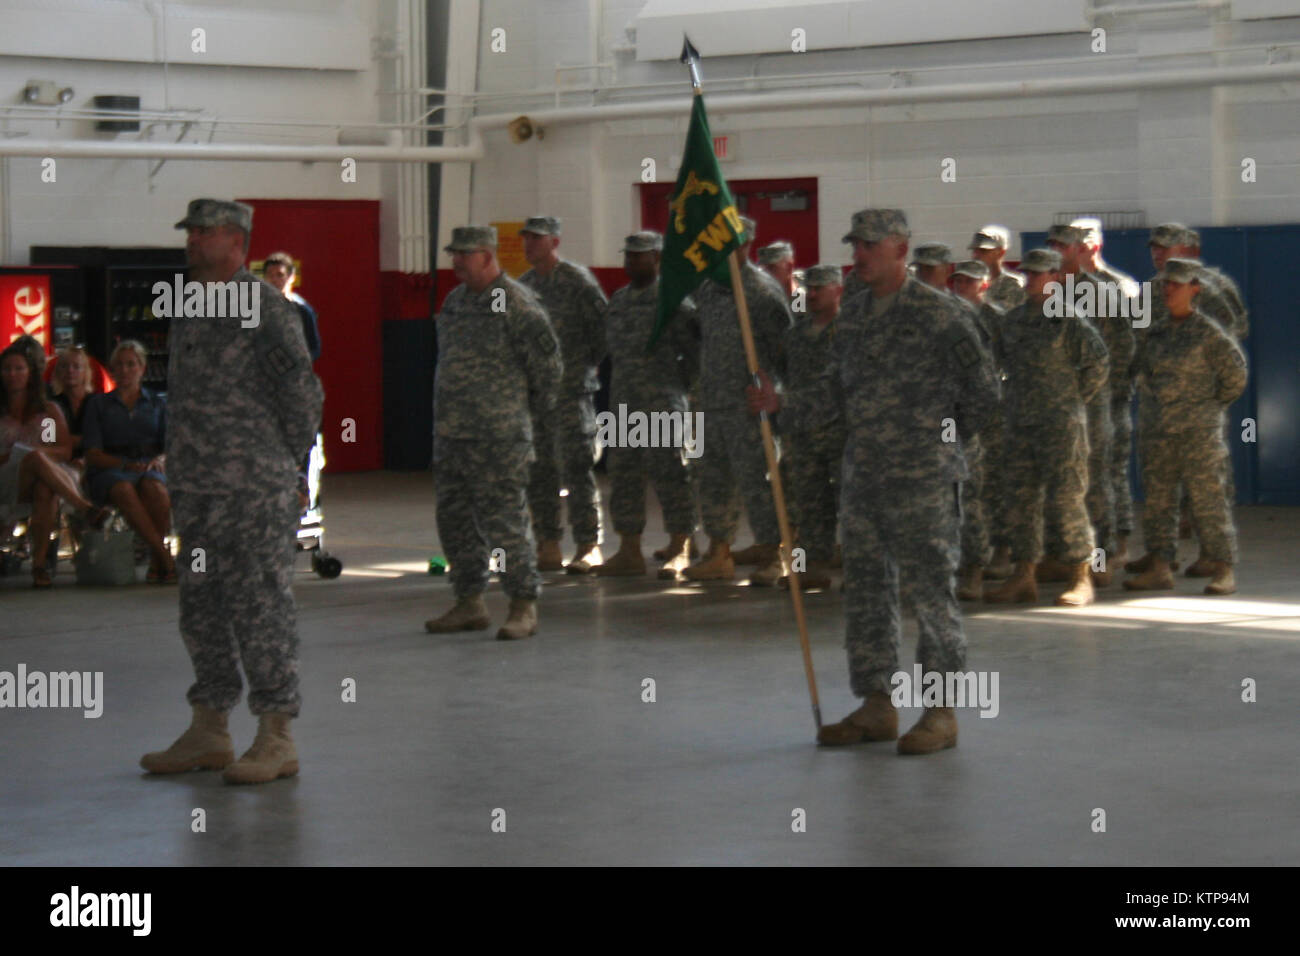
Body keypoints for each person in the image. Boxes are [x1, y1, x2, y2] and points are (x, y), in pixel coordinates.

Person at [140, 198, 323, 786]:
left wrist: (284, 467)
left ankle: (276, 735)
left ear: (235, 238)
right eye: (190, 230)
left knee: (261, 605)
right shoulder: (190, 303)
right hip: (195, 487)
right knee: (201, 607)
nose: (191, 240)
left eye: (202, 231)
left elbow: (302, 397)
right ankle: (209, 727)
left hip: (252, 488)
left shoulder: (265, 307)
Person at [815, 208, 998, 754]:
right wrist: (779, 404)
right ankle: (877, 704)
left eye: (869, 245)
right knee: (867, 593)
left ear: (900, 247)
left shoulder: (941, 314)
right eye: (855, 246)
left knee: (931, 596)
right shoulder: (854, 312)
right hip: (864, 476)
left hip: (923, 479)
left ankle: (940, 713)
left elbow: (985, 395)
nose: (859, 255)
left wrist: (940, 443)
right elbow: (835, 389)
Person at [425, 225, 562, 639]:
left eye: (464, 254)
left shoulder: (514, 302)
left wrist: (521, 420)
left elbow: (549, 369)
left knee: (505, 523)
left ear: (487, 256)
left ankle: (523, 604)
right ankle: (470, 602)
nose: (456, 262)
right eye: (454, 254)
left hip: (499, 437)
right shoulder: (455, 301)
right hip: (453, 434)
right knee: (455, 520)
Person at [984, 249, 1107, 607]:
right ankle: (1024, 575)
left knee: (1067, 499)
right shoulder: (1013, 321)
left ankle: (1080, 576)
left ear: (1055, 277)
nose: (1033, 279)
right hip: (1021, 423)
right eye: (1029, 273)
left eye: (1040, 274)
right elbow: (999, 363)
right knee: (1021, 501)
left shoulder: (1069, 321)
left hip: (1061, 426)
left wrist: (1071, 401)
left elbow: (1098, 363)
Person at [1124, 259, 1246, 596]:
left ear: (1195, 288)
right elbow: (1140, 371)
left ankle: (1222, 568)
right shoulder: (1156, 332)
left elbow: (1235, 377)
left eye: (1176, 284)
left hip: (1198, 434)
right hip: (1159, 432)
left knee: (1209, 502)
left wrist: (1207, 407)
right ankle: (1161, 566)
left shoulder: (1209, 333)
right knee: (1159, 502)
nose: (1168, 290)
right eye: (1165, 284)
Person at [682, 215, 792, 587]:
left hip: (747, 407)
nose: (728, 250)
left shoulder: (761, 291)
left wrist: (773, 391)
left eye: (735, 243)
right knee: (711, 480)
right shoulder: (709, 288)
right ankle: (719, 552)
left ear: (747, 245)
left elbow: (783, 351)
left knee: (758, 481)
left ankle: (773, 553)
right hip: (711, 400)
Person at [595, 231, 700, 579]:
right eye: (628, 256)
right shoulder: (620, 300)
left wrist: (679, 391)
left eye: (639, 256)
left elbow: (695, 354)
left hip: (662, 404)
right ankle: (628, 549)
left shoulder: (674, 301)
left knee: (671, 476)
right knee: (623, 477)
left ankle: (681, 546)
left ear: (657, 258)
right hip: (623, 403)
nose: (632, 262)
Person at [518, 215, 608, 574]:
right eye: (526, 239)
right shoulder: (522, 287)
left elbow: (603, 331)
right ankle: (548, 543)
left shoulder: (577, 281)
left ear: (554, 242)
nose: (529, 245)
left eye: (537, 239)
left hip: (572, 394)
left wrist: (584, 367)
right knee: (539, 473)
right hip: (537, 397)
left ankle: (588, 545)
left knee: (577, 469)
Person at [750, 263, 845, 592]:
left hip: (840, 431)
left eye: (821, 287)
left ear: (839, 290)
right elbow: (780, 374)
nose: (814, 293)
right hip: (801, 432)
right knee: (805, 506)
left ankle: (859, 572)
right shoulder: (795, 334)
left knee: (851, 504)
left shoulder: (851, 331)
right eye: (810, 287)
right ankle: (806, 568)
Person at [1, 342, 108, 587]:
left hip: (35, 477)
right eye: (7, 369)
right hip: (5, 475)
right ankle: (84, 508)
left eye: (18, 369)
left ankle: (39, 566)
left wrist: (34, 453)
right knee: (35, 459)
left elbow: (59, 449)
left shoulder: (45, 412)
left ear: (29, 374)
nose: (13, 375)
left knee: (44, 485)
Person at [1073, 218, 1140, 564]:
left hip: (1111, 395)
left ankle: (1119, 543)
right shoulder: (1067, 288)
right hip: (1079, 399)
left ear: (1094, 247)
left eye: (1080, 246)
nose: (1074, 253)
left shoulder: (1121, 287)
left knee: (1111, 471)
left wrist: (1120, 387)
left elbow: (1133, 343)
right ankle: (1082, 548)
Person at [82, 340, 174, 583]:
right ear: (112, 370)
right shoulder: (98, 404)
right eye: (119, 365)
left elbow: (169, 444)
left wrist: (160, 459)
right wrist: (123, 465)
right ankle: (164, 557)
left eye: (131, 364)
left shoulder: (157, 403)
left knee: (155, 488)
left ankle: (156, 560)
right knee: (123, 489)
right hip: (111, 466)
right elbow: (92, 452)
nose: (125, 370)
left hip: (147, 463)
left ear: (142, 368)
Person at [263, 251, 321, 363]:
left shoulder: (302, 310)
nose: (274, 280)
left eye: (280, 275)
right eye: (270, 275)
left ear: (291, 277)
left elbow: (314, 348)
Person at [50, 345, 95, 467]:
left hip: (92, 462)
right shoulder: (50, 404)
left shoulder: (98, 402)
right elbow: (48, 440)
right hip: (59, 463)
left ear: (85, 371)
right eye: (64, 366)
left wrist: (68, 441)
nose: (70, 370)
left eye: (76, 366)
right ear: (58, 371)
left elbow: (105, 440)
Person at [968, 225, 1026, 312]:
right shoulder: (967, 283)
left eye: (984, 251)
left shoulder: (1013, 284)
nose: (976, 256)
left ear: (1001, 252)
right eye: (975, 251)